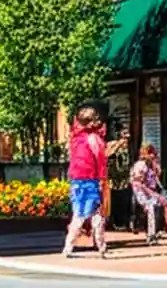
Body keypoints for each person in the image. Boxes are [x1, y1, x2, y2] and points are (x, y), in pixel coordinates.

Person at [64, 107, 109, 257]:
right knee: (97, 212)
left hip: (76, 180)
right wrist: (102, 178)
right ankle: (101, 245)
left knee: (79, 213)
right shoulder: (94, 139)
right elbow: (101, 160)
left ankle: (68, 246)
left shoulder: (75, 138)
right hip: (90, 179)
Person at [130, 144, 167, 245]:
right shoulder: (140, 165)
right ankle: (151, 236)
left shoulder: (151, 165)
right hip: (142, 192)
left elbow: (157, 180)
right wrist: (153, 194)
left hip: (152, 192)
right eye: (150, 153)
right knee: (151, 207)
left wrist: (155, 166)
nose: (152, 156)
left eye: (153, 153)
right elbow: (139, 184)